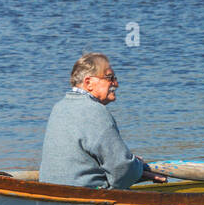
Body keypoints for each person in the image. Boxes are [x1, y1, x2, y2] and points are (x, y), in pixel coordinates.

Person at [39, 53, 164, 189]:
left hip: (51, 198)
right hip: (86, 204)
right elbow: (121, 167)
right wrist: (138, 166)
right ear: (88, 83)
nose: (116, 84)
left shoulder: (59, 107)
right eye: (110, 78)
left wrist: (132, 166)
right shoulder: (95, 111)